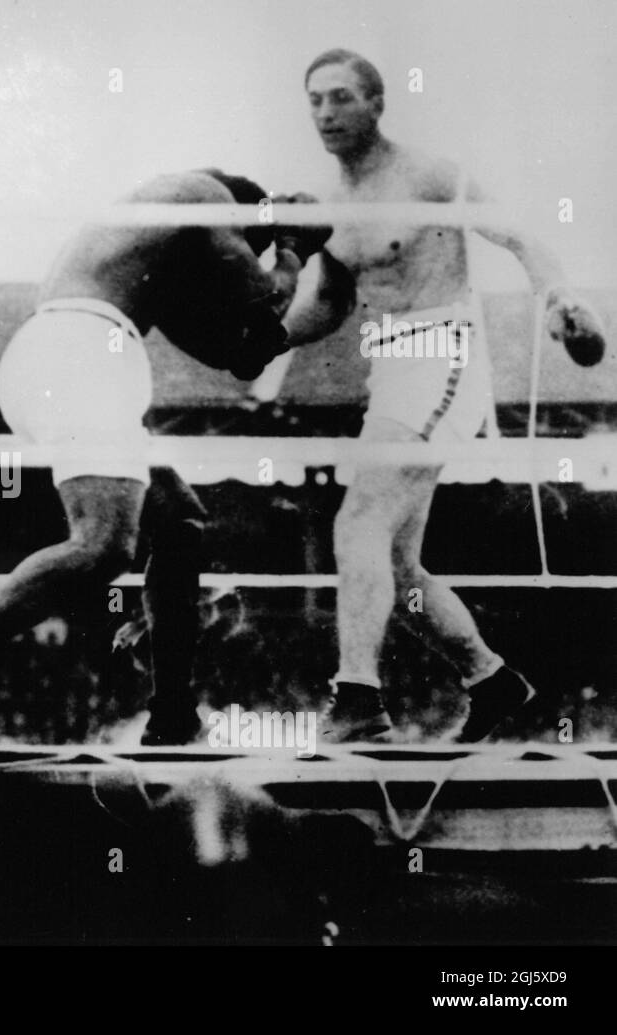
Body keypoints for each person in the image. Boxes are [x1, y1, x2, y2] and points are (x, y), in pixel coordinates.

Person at [0, 169, 347, 744]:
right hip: (82, 355)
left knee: (180, 524)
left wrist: (310, 306)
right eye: (248, 248)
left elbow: (245, 352)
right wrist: (294, 247)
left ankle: (173, 716)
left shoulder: (157, 253)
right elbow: (262, 298)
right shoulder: (203, 195)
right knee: (104, 544)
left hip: (67, 357)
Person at [285, 50, 607, 742]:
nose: (326, 113)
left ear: (376, 104)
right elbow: (331, 303)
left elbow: (520, 237)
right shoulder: (328, 204)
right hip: (389, 362)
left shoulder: (427, 175)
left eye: (341, 97)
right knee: (394, 565)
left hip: (443, 351)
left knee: (357, 523)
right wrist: (261, 339)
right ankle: (495, 682)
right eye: (314, 100)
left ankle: (359, 701)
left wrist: (561, 301)